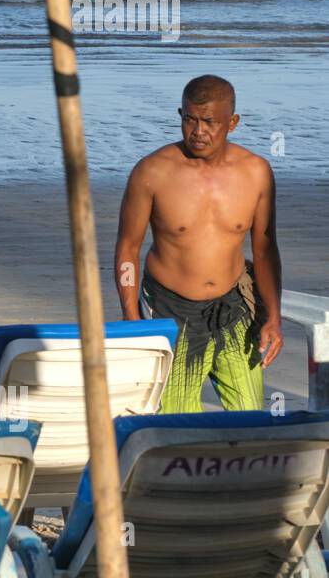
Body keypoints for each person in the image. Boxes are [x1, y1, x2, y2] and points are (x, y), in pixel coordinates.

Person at [113, 74, 282, 412]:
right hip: (170, 308)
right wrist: (132, 318)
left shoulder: (256, 172)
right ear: (180, 115)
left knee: (250, 417)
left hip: (234, 307)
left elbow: (264, 249)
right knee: (178, 422)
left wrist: (274, 316)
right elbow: (127, 249)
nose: (198, 131)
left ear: (232, 123)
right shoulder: (152, 172)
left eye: (209, 122)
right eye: (189, 119)